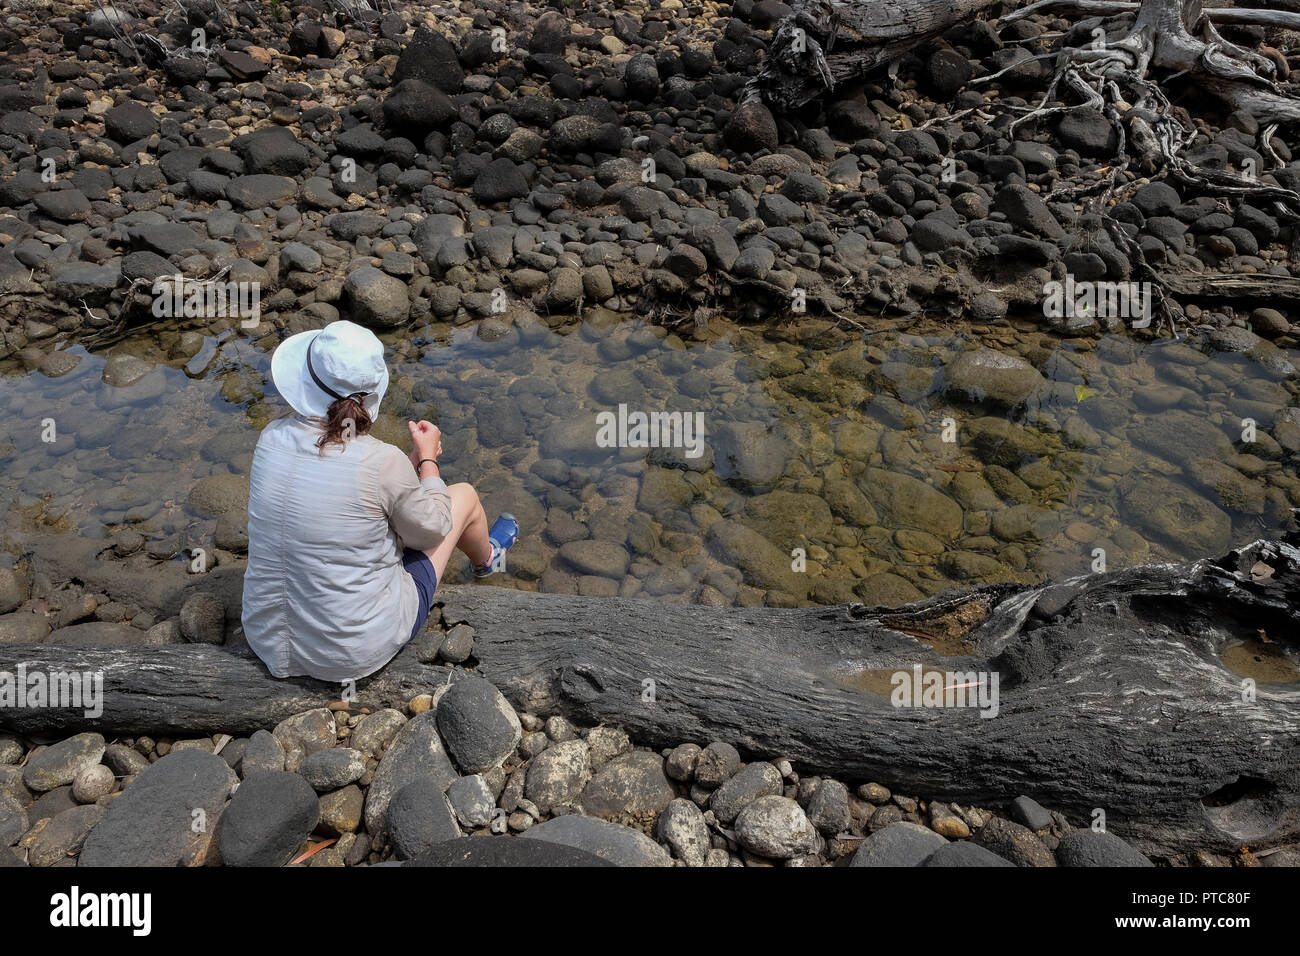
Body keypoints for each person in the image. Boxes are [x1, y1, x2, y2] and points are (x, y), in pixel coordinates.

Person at [240, 320, 517, 682]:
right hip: (350, 653)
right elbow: (431, 532)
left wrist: (403, 476)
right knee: (463, 496)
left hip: (267, 638)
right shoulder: (383, 460)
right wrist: (427, 462)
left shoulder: (270, 437)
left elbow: (340, 490)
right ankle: (488, 561)